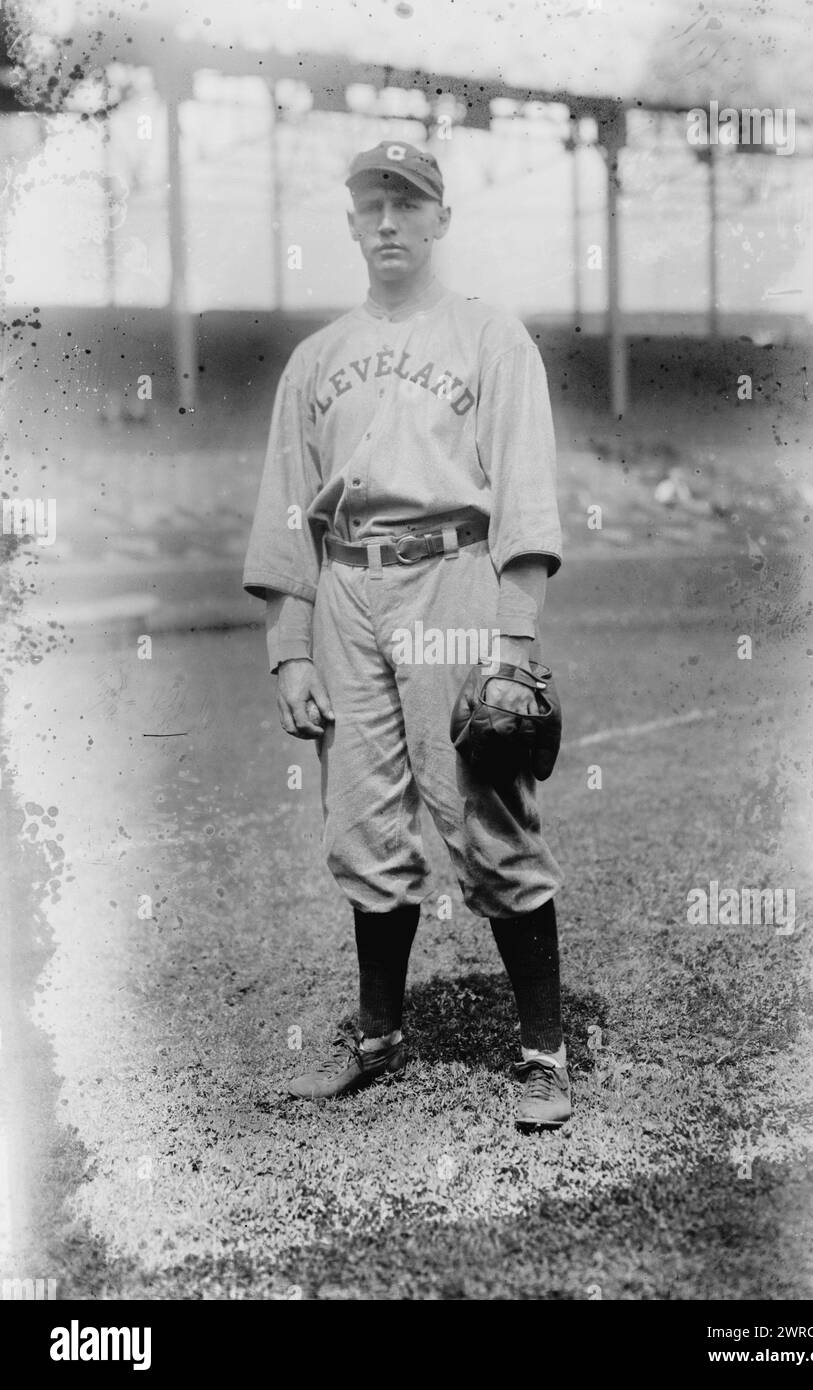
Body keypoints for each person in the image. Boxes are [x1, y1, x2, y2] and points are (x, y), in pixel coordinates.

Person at [243, 140, 570, 1129]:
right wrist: (288, 647)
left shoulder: (488, 337)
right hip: (345, 588)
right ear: (349, 223)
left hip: (450, 578)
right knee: (363, 824)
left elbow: (521, 491)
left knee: (484, 811)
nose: (387, 222)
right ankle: (378, 1036)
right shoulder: (315, 360)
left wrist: (512, 640)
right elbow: (284, 512)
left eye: (406, 204)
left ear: (439, 220)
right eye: (369, 205)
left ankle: (543, 1050)